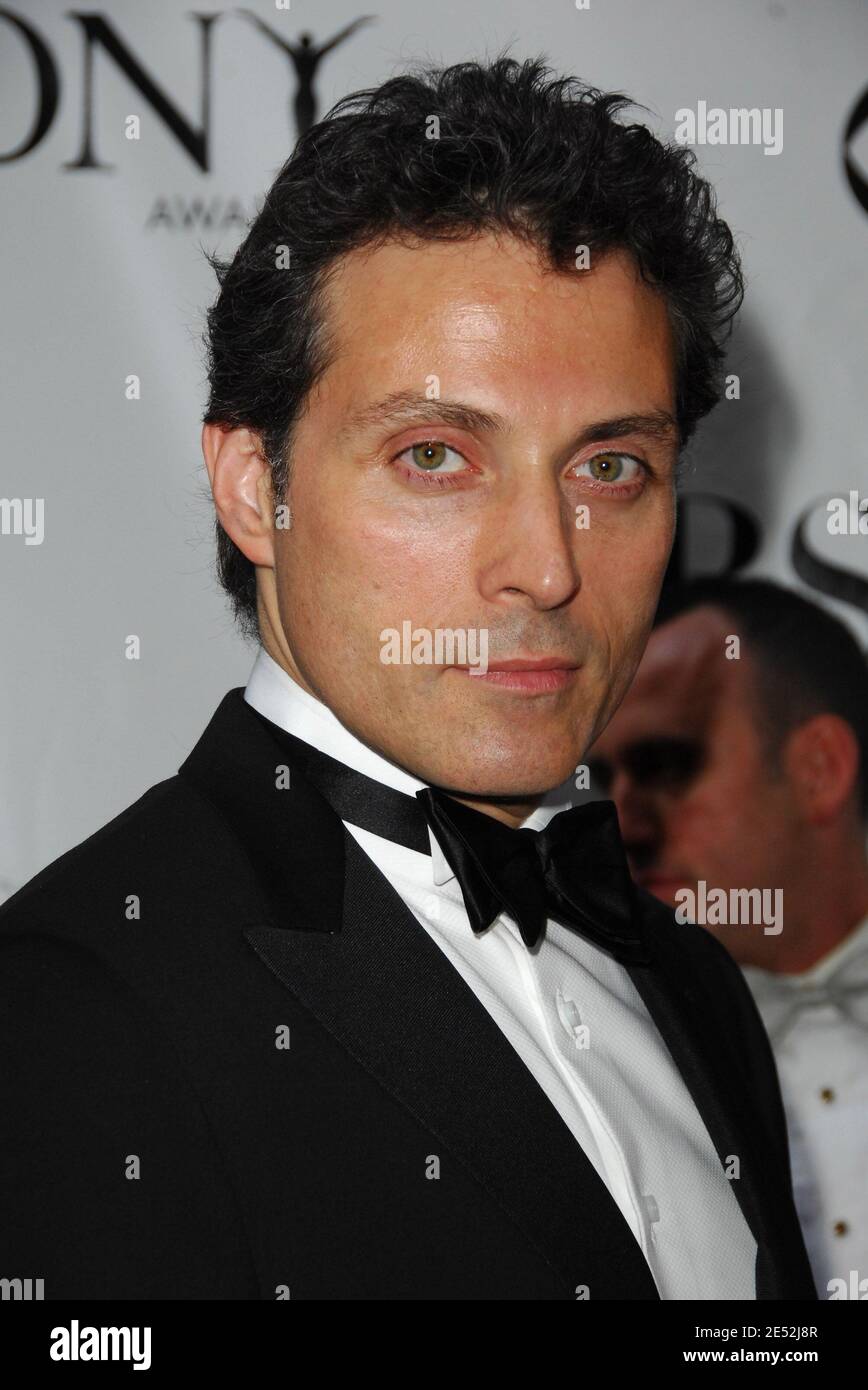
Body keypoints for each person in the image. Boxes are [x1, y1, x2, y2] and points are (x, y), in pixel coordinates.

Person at [0, 58, 814, 1300]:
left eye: (610, 469)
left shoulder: (684, 970)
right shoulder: (73, 1010)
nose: (545, 566)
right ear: (249, 487)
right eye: (434, 455)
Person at [588, 577, 868, 1294]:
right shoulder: (595, 1050)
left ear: (819, 771)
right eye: (601, 779)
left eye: (668, 766)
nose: (624, 825)